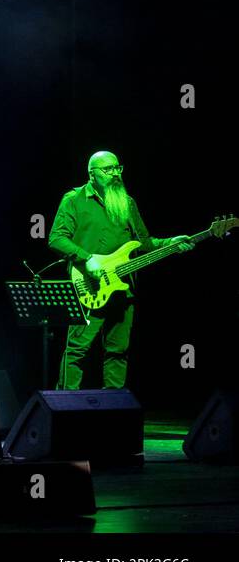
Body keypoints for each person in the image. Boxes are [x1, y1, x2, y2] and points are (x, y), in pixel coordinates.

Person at [48, 151, 192, 389]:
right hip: (89, 286)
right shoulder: (73, 199)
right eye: (108, 169)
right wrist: (87, 259)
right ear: (91, 173)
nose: (115, 174)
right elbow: (56, 238)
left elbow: (144, 243)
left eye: (118, 168)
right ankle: (65, 405)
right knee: (76, 351)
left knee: (118, 350)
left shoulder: (127, 202)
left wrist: (171, 242)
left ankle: (113, 409)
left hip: (123, 289)